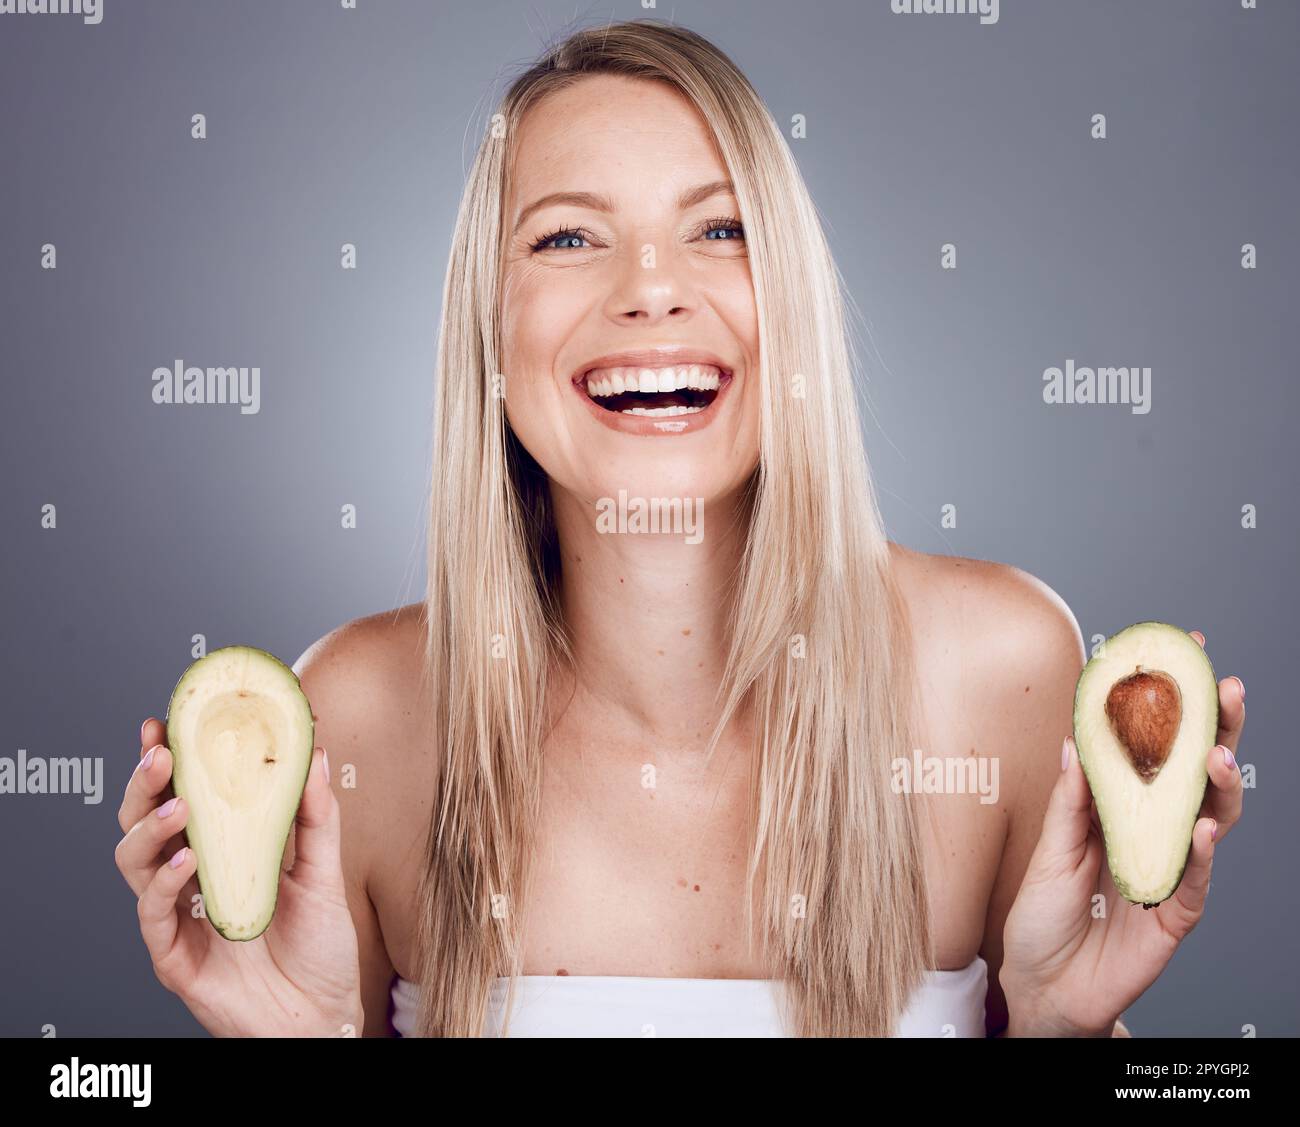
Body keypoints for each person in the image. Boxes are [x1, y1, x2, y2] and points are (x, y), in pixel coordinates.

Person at [113, 19, 1247, 1037]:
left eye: (718, 229)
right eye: (565, 239)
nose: (651, 288)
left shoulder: (1000, 670)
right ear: (488, 339)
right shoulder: (358, 717)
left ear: (789, 304)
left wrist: (1059, 1031)